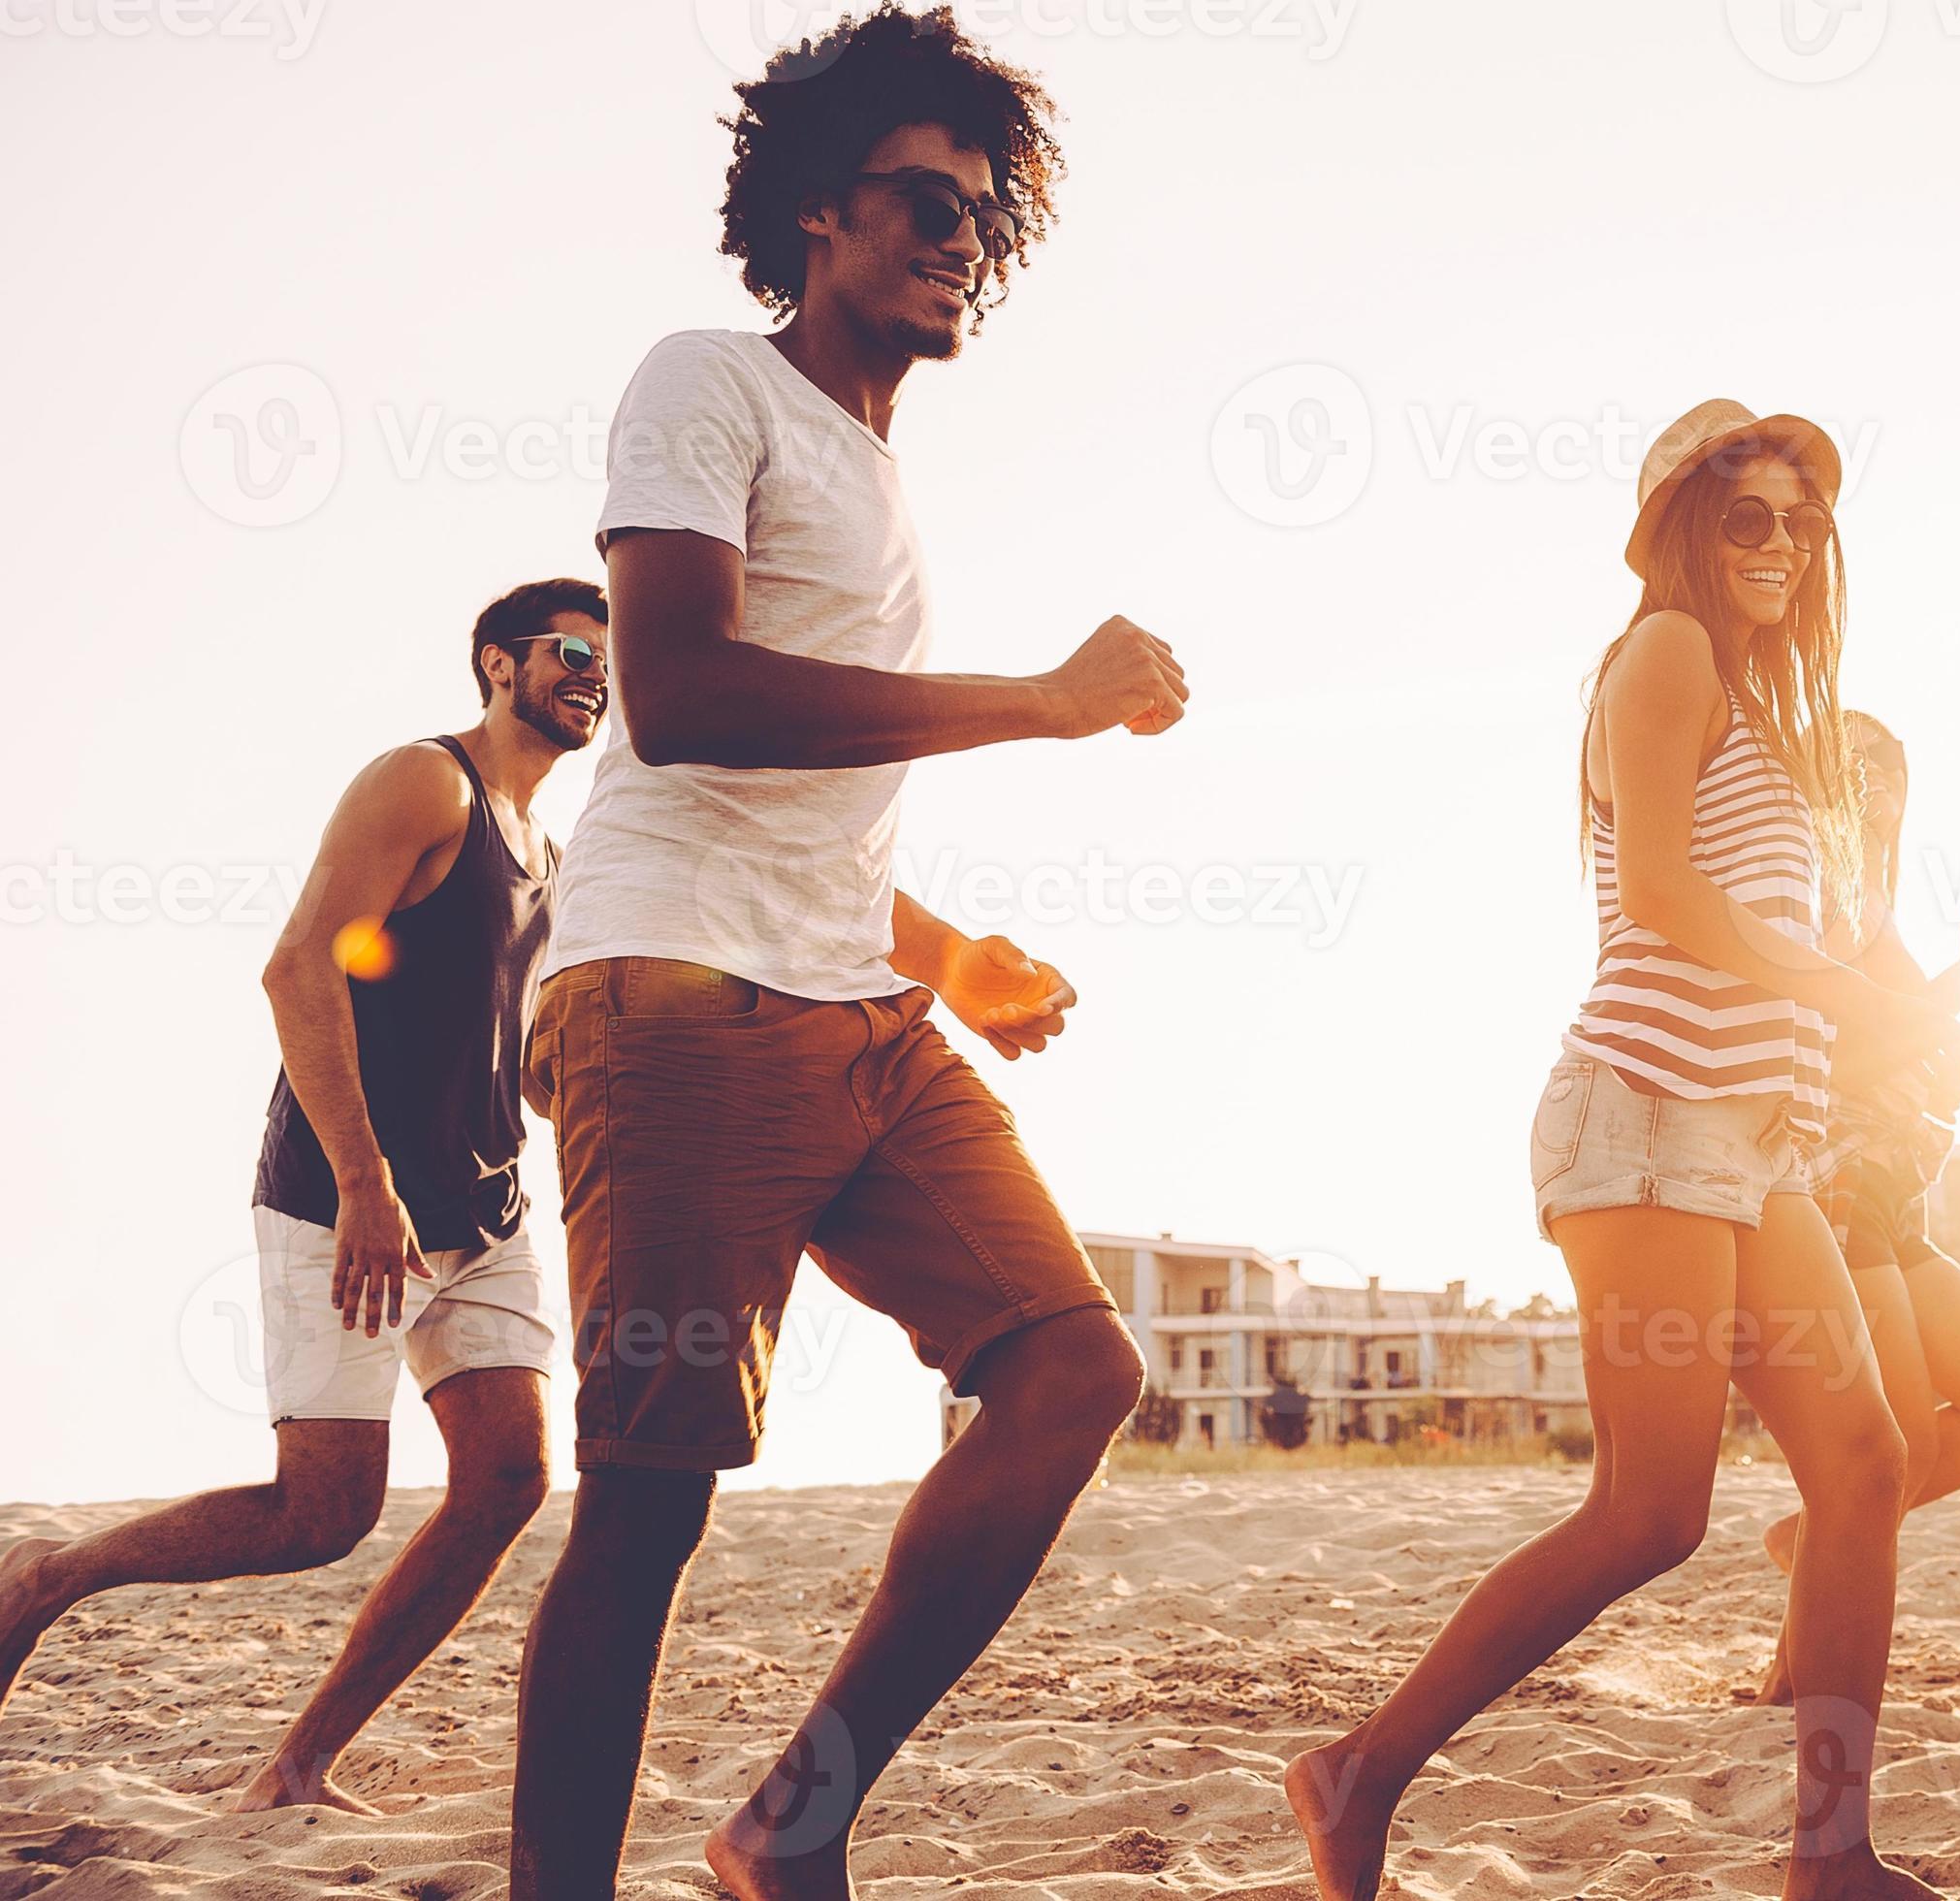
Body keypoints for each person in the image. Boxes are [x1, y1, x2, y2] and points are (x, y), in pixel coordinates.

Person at [501, 10, 1186, 1898]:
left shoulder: (879, 476)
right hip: (678, 1008)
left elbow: (811, 793)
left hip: (859, 1013)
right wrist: (1043, 704)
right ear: (816, 209)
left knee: (1072, 1367)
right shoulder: (705, 379)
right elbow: (687, 693)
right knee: (650, 1504)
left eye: (980, 213)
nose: (957, 234)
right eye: (919, 198)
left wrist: (947, 946)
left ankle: (782, 1824)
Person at [1286, 402, 1960, 1901]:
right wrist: (1839, 989)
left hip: (1753, 1136)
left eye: (1803, 521)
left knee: (1862, 1465)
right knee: (1651, 1513)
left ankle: (1830, 1858)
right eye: (1747, 518)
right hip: (1645, 1110)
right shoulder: (1659, 651)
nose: (1781, 544)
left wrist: (1926, 1006)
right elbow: (1662, 894)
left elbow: (1814, 953)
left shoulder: (1786, 725)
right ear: (1678, 529)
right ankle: (1354, 1775)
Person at [0, 579, 610, 1813]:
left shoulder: (552, 847)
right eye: (570, 651)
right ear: (498, 661)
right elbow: (297, 967)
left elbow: (507, 1044)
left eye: (612, 661)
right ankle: (45, 1570)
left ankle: (298, 1761)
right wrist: (363, 1179)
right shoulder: (425, 782)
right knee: (322, 1512)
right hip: (348, 1196)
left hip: (483, 1213)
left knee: (507, 1479)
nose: (594, 674)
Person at [1751, 709, 1960, 1707]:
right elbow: (1840, 1056)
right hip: (1836, 1189)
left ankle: (1810, 1552)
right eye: (1853, 763)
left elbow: (1907, 1036)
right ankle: (1795, 1664)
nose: (1876, 780)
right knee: (1899, 1444)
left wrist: (1943, 1054)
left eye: (1890, 763)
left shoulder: (1869, 901)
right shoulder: (1815, 896)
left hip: (1892, 1193)